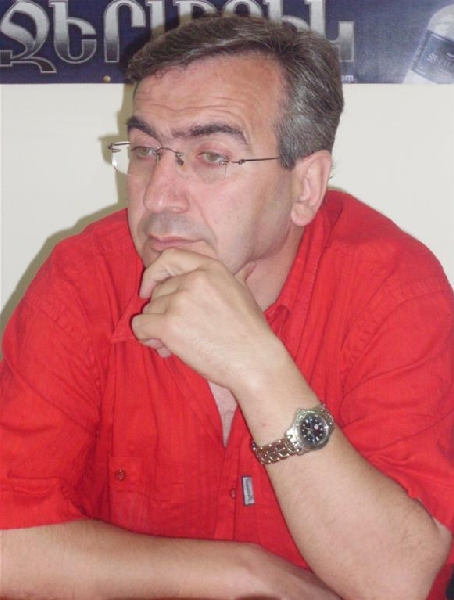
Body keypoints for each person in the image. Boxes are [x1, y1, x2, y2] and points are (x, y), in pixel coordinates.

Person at [1, 14, 453, 600]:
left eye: (212, 156)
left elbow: (395, 581)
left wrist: (259, 371)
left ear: (305, 186)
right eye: (145, 151)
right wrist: (241, 574)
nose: (158, 195)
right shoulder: (84, 280)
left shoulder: (392, 288)